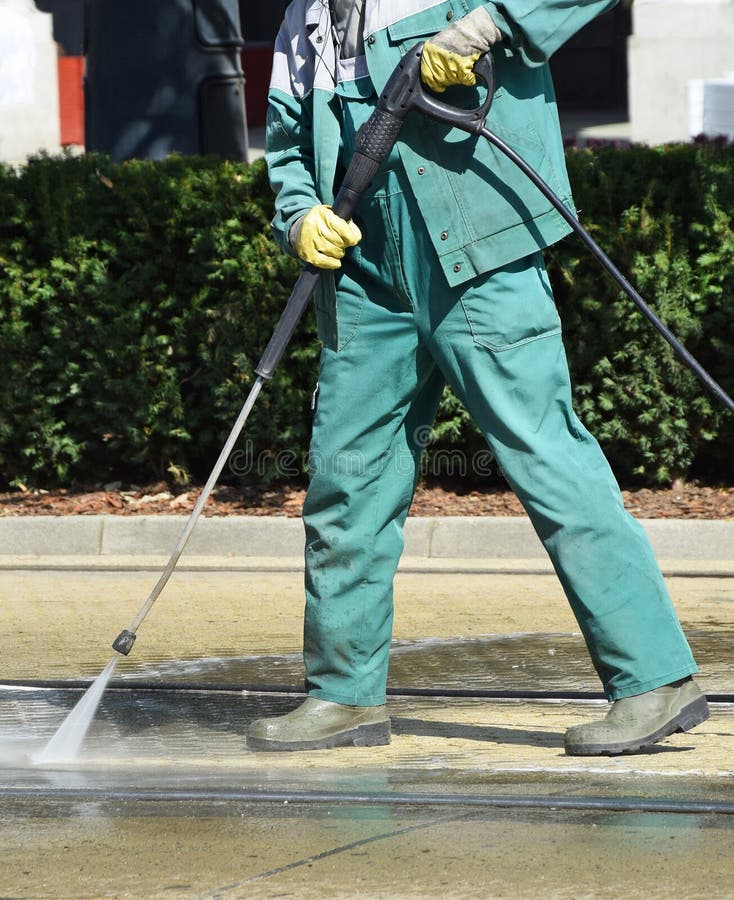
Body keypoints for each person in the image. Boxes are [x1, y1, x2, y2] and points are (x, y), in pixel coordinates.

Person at [246, 0, 709, 755]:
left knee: (545, 457)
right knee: (347, 481)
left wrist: (487, 23)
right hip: (365, 275)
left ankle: (654, 680)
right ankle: (343, 696)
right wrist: (299, 217)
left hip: (479, 253)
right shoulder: (304, 23)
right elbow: (290, 143)